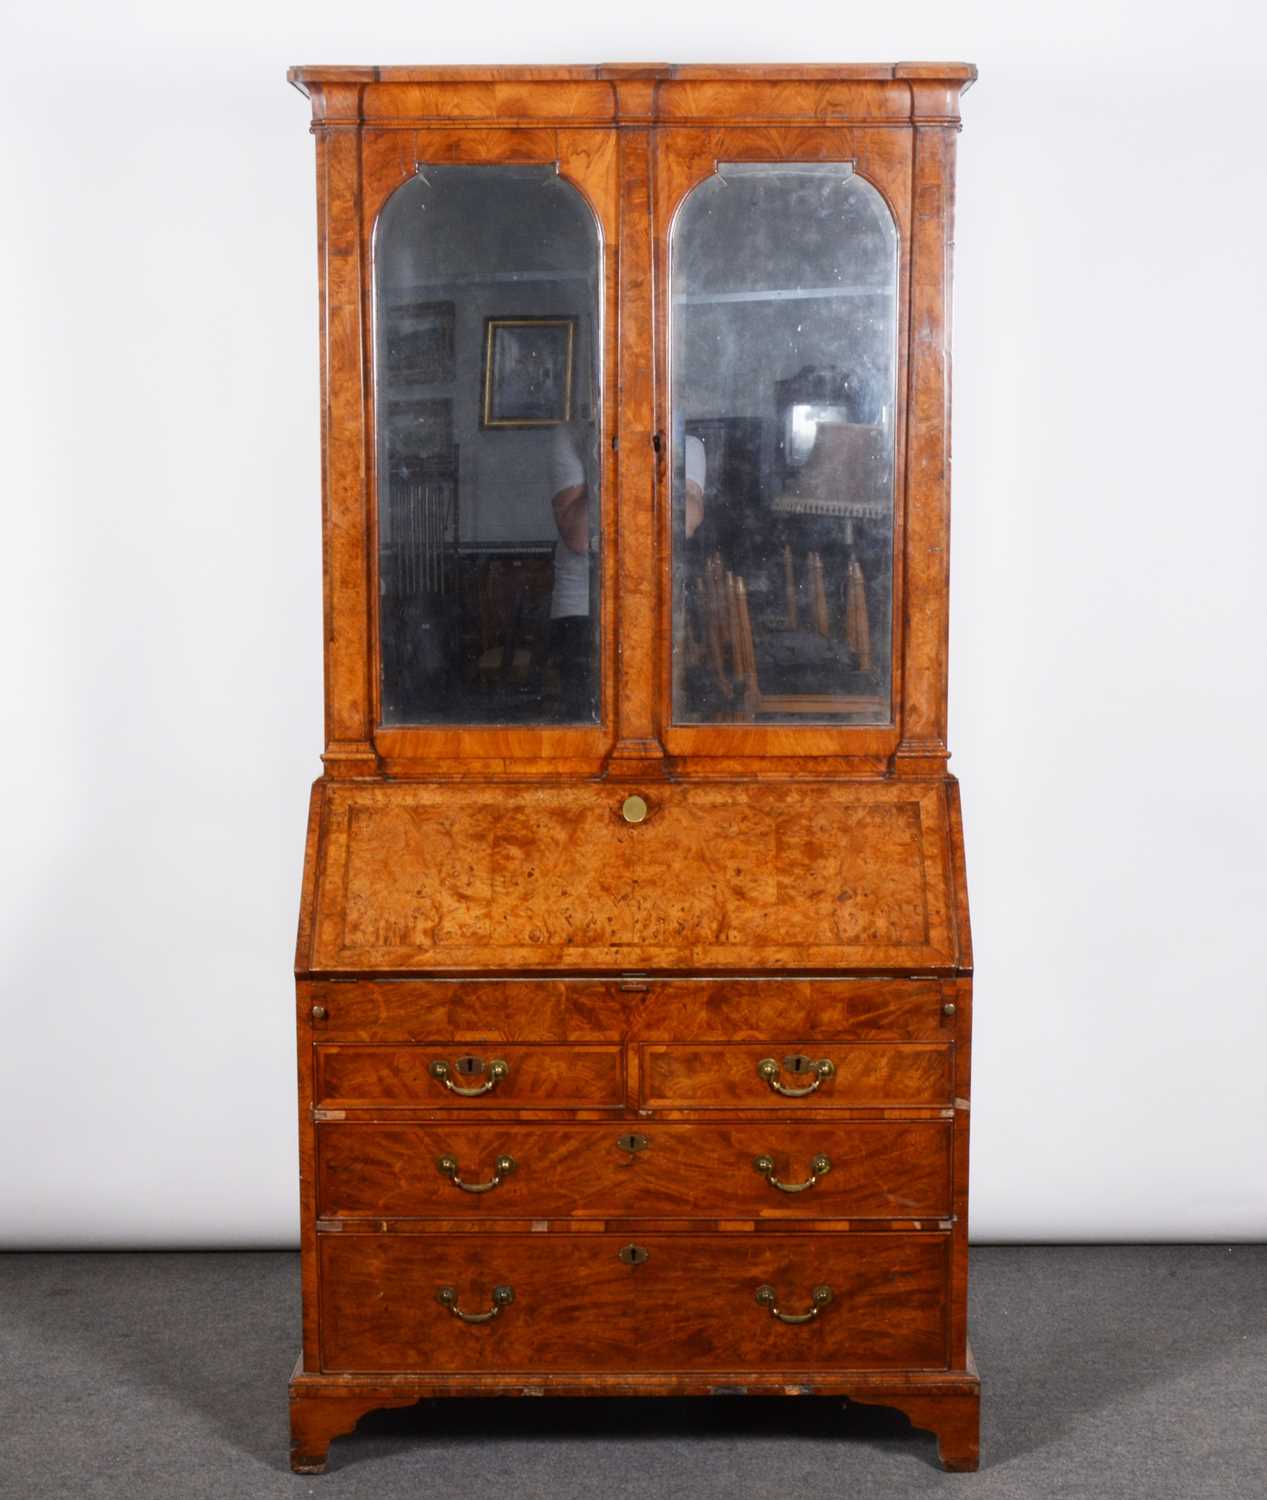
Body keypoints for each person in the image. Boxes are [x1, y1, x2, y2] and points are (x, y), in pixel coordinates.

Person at [548, 428, 705, 721]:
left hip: (655, 608)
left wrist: (646, 457)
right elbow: (580, 538)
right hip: (582, 610)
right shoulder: (571, 437)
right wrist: (606, 462)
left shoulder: (686, 444)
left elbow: (683, 525)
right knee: (586, 721)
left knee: (657, 719)